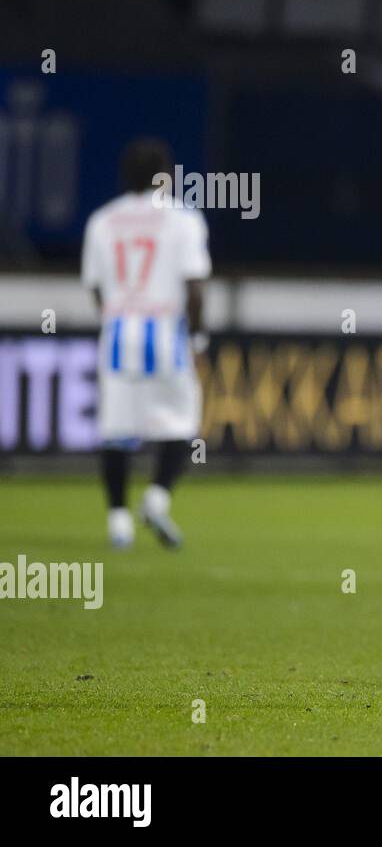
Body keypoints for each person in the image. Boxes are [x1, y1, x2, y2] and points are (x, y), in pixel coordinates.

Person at [80, 138, 210, 549]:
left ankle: (118, 522)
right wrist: (198, 335)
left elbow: (97, 287)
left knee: (116, 431)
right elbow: (195, 287)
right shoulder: (183, 220)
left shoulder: (102, 221)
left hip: (119, 333)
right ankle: (156, 498)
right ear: (165, 175)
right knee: (181, 422)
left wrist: (115, 318)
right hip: (164, 333)